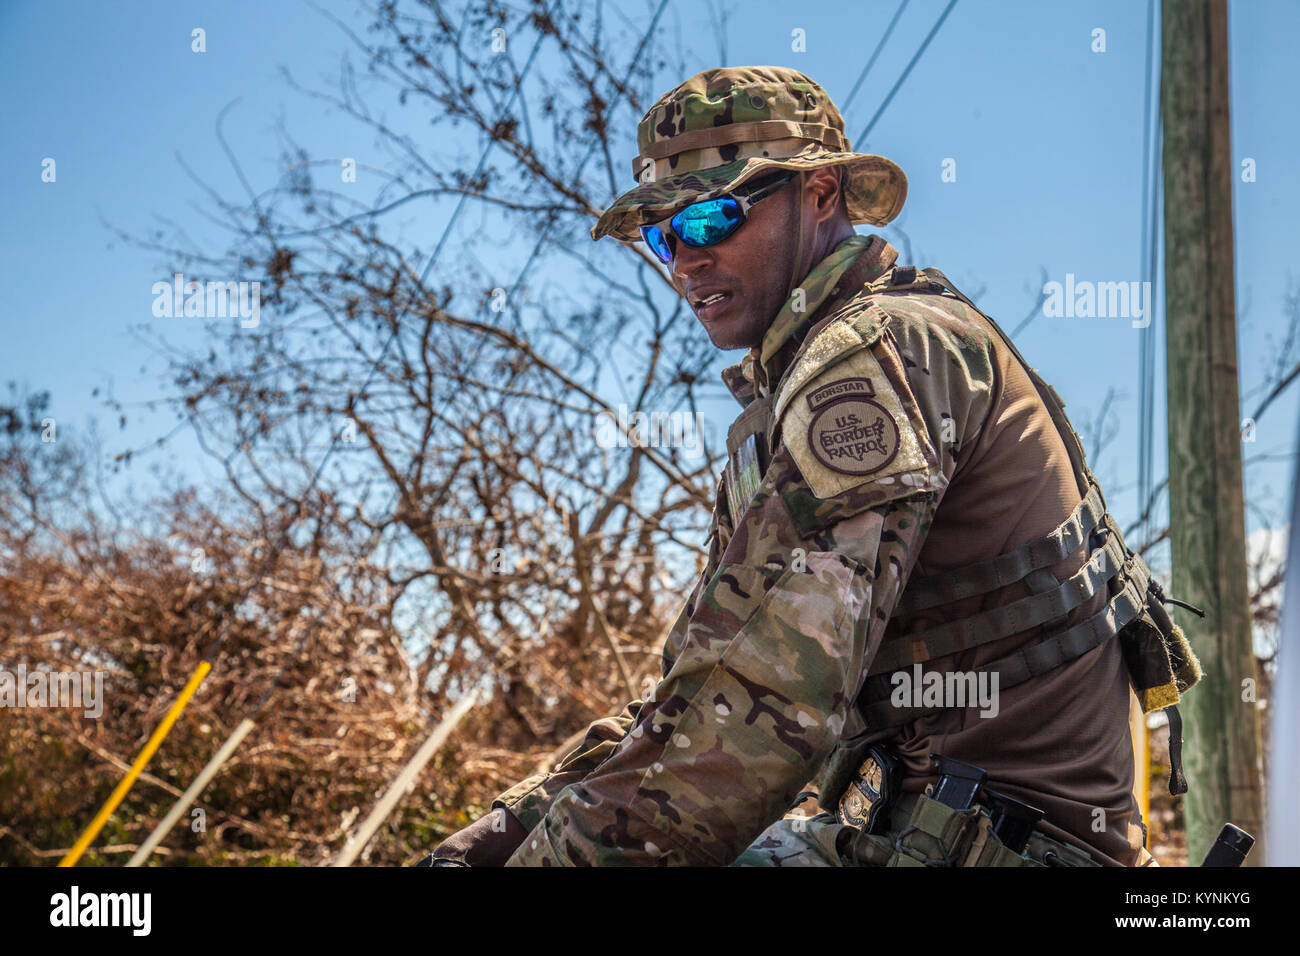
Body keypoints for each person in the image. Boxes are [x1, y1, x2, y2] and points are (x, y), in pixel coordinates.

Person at [421, 66, 1201, 868]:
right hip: (906, 839)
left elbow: (743, 730)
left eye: (714, 215)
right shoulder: (797, 392)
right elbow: (696, 695)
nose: (684, 261)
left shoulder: (873, 358)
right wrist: (496, 838)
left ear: (822, 194)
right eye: (661, 235)